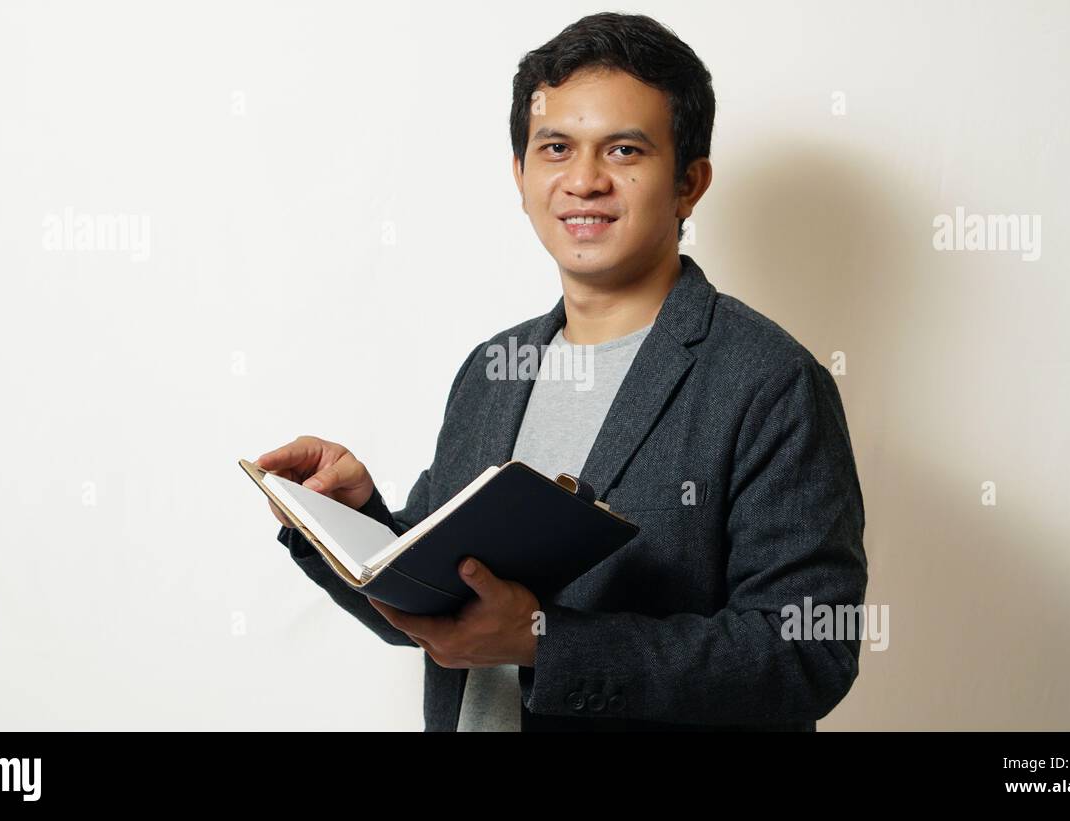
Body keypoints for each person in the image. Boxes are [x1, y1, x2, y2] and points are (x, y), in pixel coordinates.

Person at [256, 12, 867, 731]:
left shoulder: (771, 383)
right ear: (520, 176)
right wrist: (347, 517)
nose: (584, 180)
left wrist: (548, 642)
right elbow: (434, 613)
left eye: (624, 150)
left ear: (689, 183)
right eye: (555, 147)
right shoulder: (490, 372)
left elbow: (805, 650)